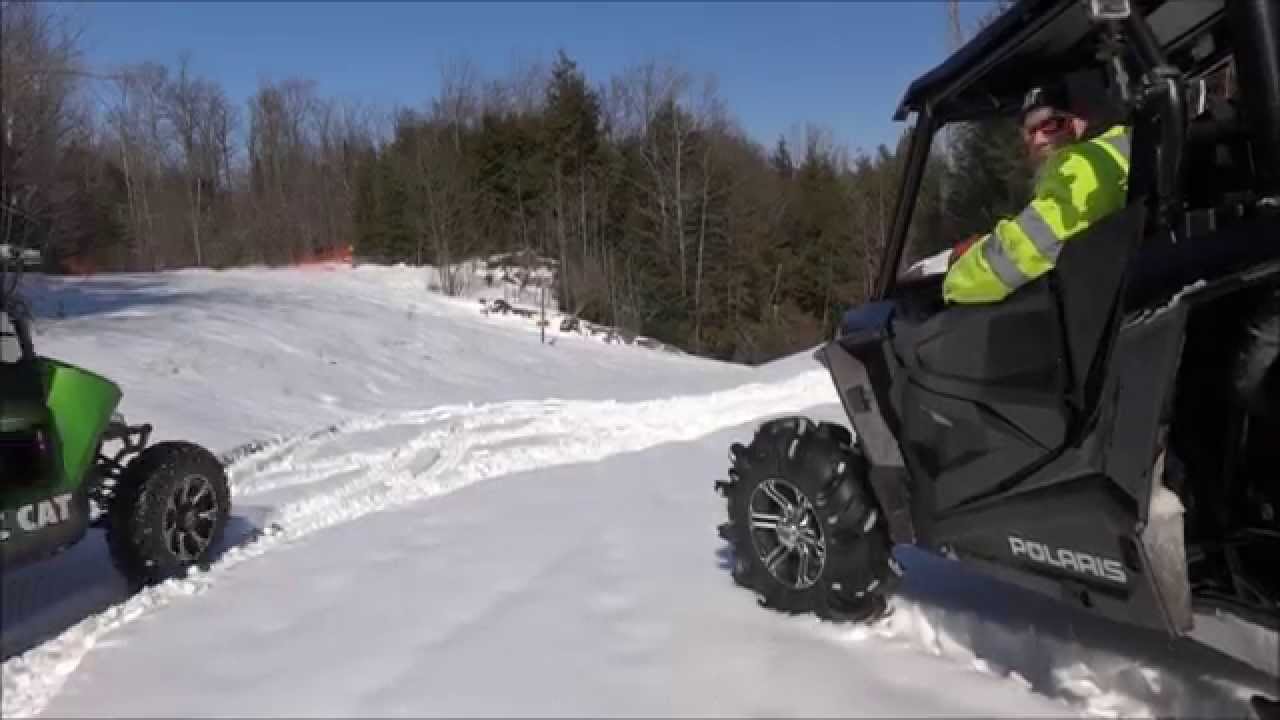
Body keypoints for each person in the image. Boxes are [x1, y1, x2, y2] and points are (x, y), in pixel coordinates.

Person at [840, 80, 1131, 335]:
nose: (1038, 140)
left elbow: (1010, 261)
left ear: (1080, 120)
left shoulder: (1083, 167)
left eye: (1050, 124)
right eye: (1028, 132)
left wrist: (951, 278)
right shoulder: (1119, 150)